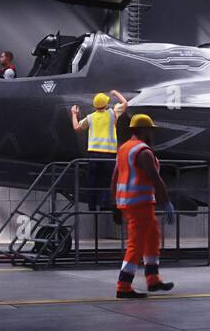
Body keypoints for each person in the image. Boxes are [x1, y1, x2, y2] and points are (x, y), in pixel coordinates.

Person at [114, 113, 176, 298]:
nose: (152, 133)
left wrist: (112, 203)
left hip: (128, 202)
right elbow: (155, 179)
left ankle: (153, 279)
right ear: (142, 129)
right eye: (150, 129)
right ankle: (123, 286)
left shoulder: (124, 149)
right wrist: (167, 202)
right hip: (139, 203)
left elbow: (114, 178)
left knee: (151, 237)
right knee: (136, 244)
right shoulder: (144, 152)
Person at [71, 90, 128, 211]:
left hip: (93, 154)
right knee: (108, 180)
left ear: (95, 106)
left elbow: (76, 127)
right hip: (109, 154)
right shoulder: (112, 113)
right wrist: (116, 93)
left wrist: (73, 114)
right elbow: (124, 103)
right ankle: (104, 204)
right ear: (106, 104)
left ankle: (91, 206)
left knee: (92, 180)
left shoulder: (90, 117)